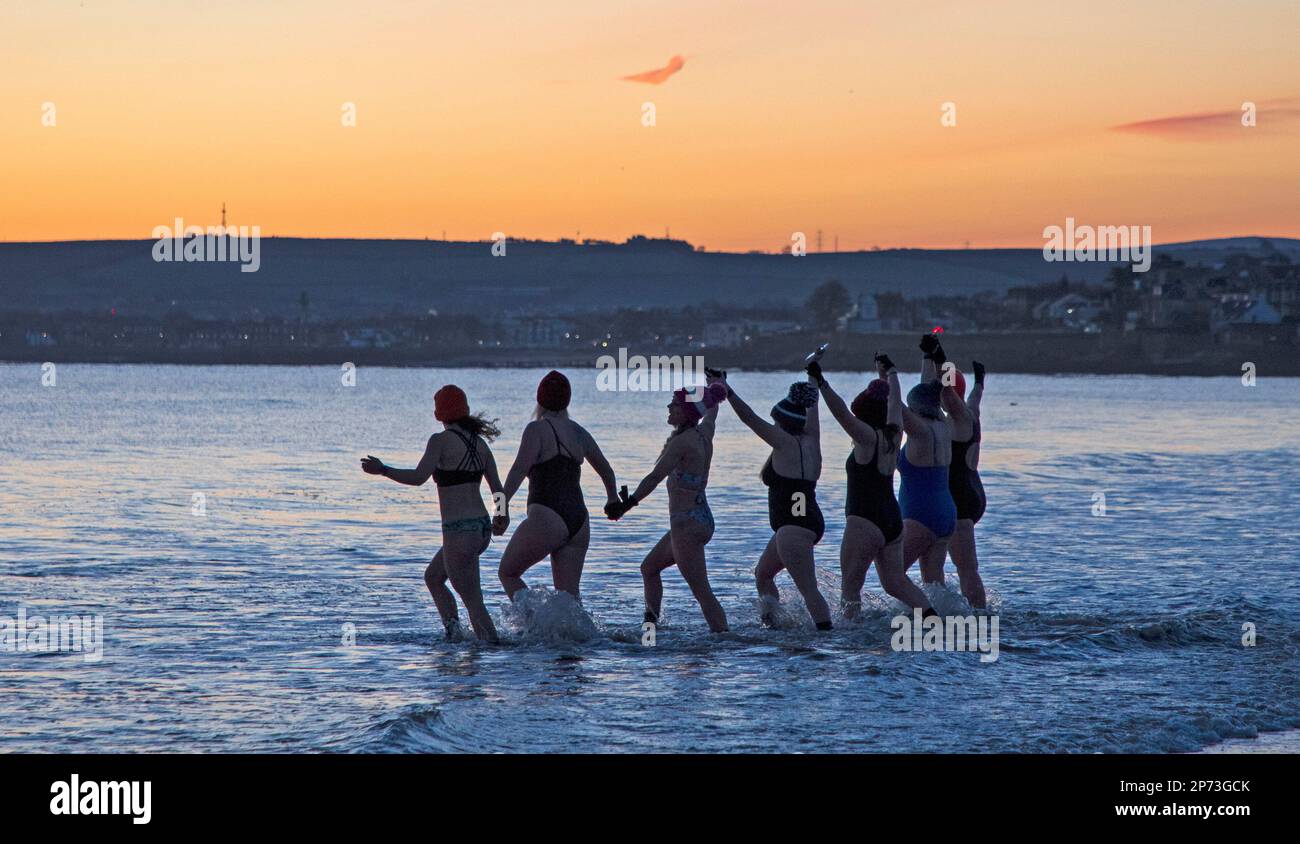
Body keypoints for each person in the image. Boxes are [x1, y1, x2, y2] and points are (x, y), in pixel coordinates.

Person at [361, 385, 504, 643]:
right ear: (466, 411)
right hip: (481, 530)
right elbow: (499, 490)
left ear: (439, 414)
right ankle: (454, 636)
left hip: (459, 531)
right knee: (434, 577)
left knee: (474, 602)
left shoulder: (439, 441)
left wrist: (383, 470)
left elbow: (418, 478)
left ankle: (493, 649)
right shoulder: (480, 444)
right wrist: (501, 518)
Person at [808, 353, 935, 620]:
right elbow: (893, 405)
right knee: (896, 583)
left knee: (850, 589)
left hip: (864, 521)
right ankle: (933, 622)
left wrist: (821, 382)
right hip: (892, 520)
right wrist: (891, 373)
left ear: (863, 416)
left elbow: (841, 413)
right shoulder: (894, 433)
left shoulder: (867, 439)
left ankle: (850, 640)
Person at [611, 381, 730, 633]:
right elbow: (711, 411)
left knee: (702, 592)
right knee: (649, 568)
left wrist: (627, 504)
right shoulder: (704, 433)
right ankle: (649, 633)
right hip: (699, 519)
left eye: (674, 404)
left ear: (685, 412)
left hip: (686, 524)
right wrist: (714, 387)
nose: (669, 407)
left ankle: (725, 643)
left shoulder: (682, 442)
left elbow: (655, 477)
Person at [723, 367, 833, 630]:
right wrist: (813, 379)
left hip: (793, 526)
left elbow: (749, 418)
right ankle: (772, 625)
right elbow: (813, 407)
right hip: (807, 520)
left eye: (775, 421)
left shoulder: (783, 442)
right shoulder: (812, 439)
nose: (772, 425)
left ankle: (827, 637)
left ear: (782, 422)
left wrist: (726, 390)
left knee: (809, 591)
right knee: (763, 575)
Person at [497, 370, 620, 602]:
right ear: (567, 400)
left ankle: (536, 626)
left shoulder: (536, 430)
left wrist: (500, 510)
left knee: (508, 573)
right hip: (579, 522)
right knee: (569, 598)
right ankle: (576, 635)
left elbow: (517, 472)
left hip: (547, 516)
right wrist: (612, 500)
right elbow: (607, 471)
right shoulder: (579, 432)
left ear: (540, 399)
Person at [899, 334, 958, 590]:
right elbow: (934, 389)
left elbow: (895, 405)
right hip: (946, 513)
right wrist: (930, 356)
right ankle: (941, 620)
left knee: (892, 574)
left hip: (920, 515)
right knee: (934, 583)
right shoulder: (944, 425)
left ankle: (919, 613)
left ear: (915, 410)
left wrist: (886, 375)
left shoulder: (918, 431)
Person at [941, 361, 988, 608]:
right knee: (966, 566)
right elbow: (976, 395)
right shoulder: (971, 412)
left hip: (960, 498)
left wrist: (940, 360)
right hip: (973, 490)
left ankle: (981, 614)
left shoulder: (958, 419)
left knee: (966, 569)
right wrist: (980, 379)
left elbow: (948, 393)